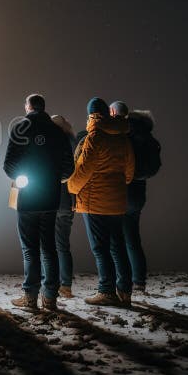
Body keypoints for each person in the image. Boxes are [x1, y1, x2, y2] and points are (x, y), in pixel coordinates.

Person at [4, 94, 73, 311]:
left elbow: (8, 165)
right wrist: (54, 179)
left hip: (27, 198)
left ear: (28, 107)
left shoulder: (20, 127)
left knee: (30, 250)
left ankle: (30, 297)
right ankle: (50, 298)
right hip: (51, 197)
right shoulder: (57, 132)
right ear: (43, 107)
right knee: (49, 248)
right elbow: (68, 168)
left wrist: (23, 177)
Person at [68, 97, 135, 307]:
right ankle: (125, 290)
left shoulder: (94, 137)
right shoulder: (123, 138)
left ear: (91, 115)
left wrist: (71, 187)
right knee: (118, 246)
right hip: (116, 200)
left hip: (94, 201)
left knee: (100, 248)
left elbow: (83, 170)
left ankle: (106, 291)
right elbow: (129, 172)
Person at [111, 103, 162, 293]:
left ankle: (122, 282)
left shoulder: (124, 133)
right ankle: (139, 280)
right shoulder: (146, 136)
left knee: (116, 240)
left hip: (121, 190)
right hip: (138, 194)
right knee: (132, 238)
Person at [50, 114, 78, 298]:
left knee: (48, 246)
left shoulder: (50, 144)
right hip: (69, 200)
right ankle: (66, 286)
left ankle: (51, 284)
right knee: (63, 245)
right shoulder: (75, 144)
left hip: (50, 200)